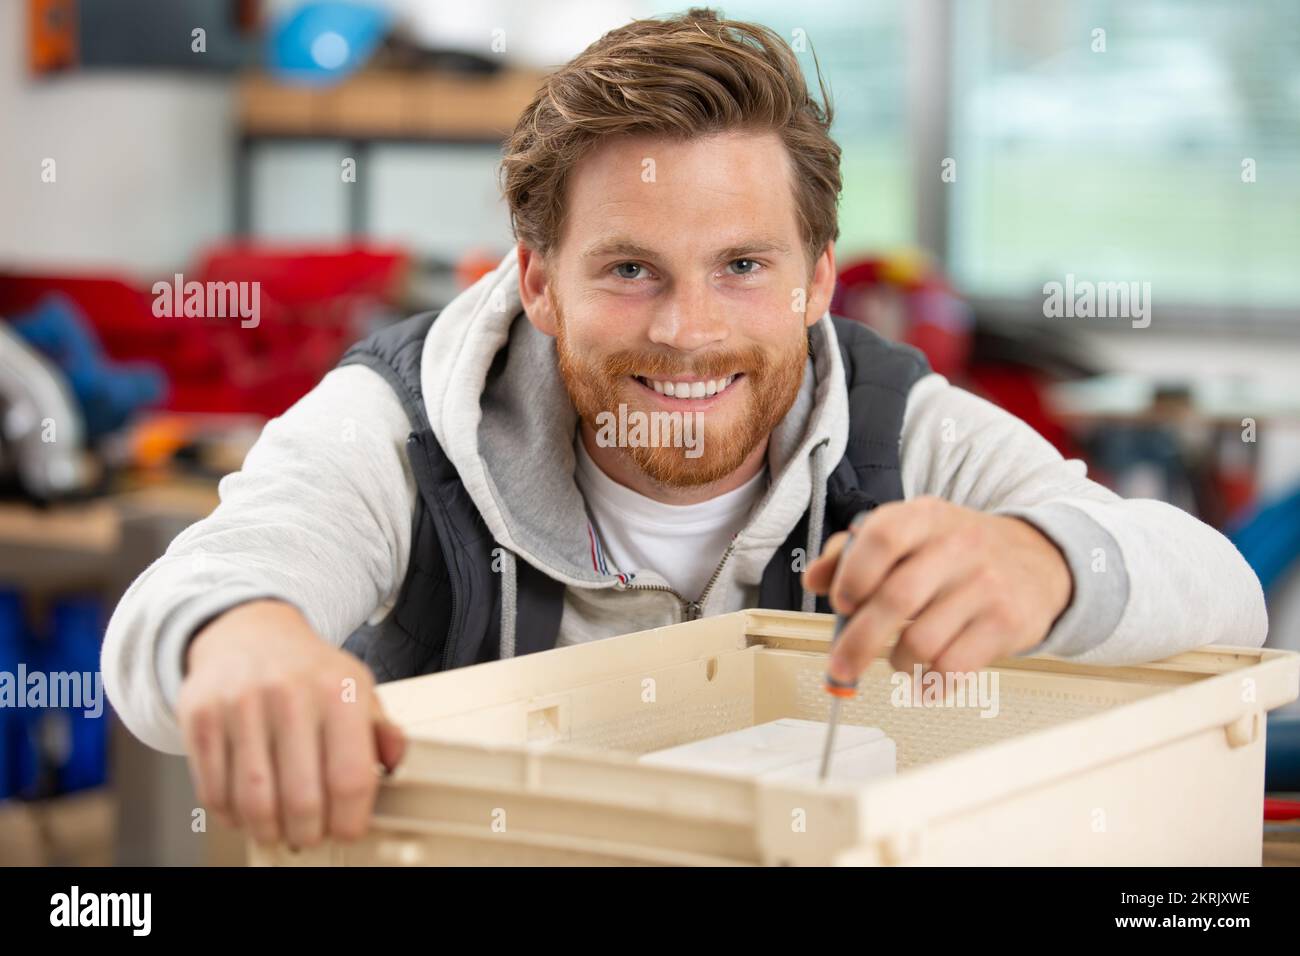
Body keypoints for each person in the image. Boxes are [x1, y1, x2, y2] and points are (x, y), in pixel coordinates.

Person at [102, 8, 1266, 850]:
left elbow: (1224, 592)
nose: (689, 330)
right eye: (628, 269)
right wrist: (241, 636)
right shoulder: (402, 420)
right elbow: (186, 599)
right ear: (538, 281)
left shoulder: (903, 425)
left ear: (817, 281)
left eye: (743, 265)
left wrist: (1046, 559)